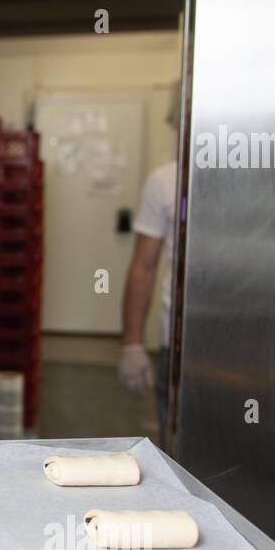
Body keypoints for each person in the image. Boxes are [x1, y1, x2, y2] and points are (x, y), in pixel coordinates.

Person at [118, 158, 177, 440]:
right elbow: (144, 265)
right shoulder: (165, 180)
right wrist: (132, 343)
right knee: (177, 447)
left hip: (259, 349)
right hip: (179, 345)